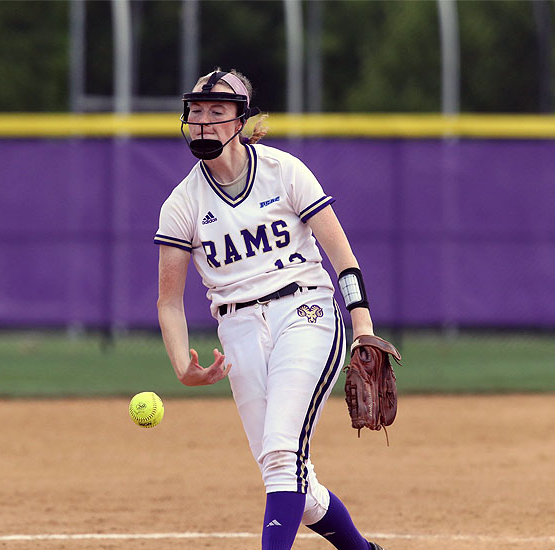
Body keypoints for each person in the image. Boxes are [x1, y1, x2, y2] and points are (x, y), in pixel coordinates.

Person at [154, 68, 386, 550]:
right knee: (293, 480)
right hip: (237, 329)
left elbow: (343, 259)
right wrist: (182, 365)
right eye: (196, 111)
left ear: (241, 120)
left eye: (216, 112)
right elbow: (168, 301)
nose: (202, 122)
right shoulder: (182, 204)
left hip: (306, 313)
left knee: (282, 457)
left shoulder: (285, 172)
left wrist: (362, 326)